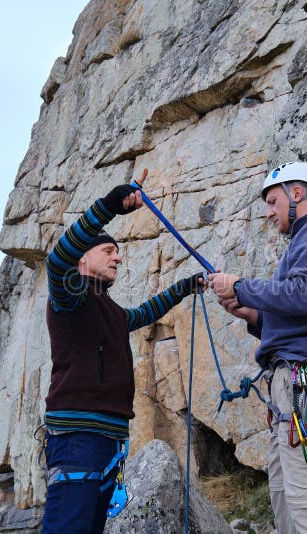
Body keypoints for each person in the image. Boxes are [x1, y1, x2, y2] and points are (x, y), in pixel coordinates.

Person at [41, 170, 205, 534]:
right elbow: (57, 261)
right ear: (82, 261)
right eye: (108, 250)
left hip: (108, 440)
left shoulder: (109, 309)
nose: (117, 258)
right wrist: (109, 206)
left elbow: (143, 314)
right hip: (77, 437)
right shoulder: (70, 296)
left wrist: (184, 287)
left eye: (118, 252)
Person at [209, 161, 307, 533]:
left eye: (273, 201)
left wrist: (242, 286)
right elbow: (303, 316)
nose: (269, 211)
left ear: (297, 194)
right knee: (287, 503)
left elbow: (304, 296)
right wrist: (251, 314)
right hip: (294, 383)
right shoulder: (305, 242)